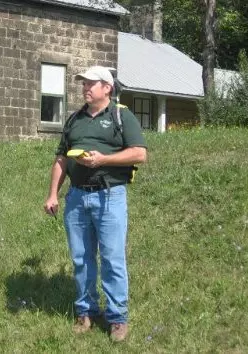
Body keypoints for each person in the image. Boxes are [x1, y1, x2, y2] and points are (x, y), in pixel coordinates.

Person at [44, 65, 147, 342]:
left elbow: (139, 153)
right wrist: (53, 193)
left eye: (91, 83)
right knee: (81, 258)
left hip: (110, 195)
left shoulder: (120, 115)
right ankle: (86, 311)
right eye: (83, 84)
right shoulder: (75, 119)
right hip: (76, 197)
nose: (85, 88)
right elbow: (61, 159)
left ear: (107, 88)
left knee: (112, 258)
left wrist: (103, 160)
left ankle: (117, 318)